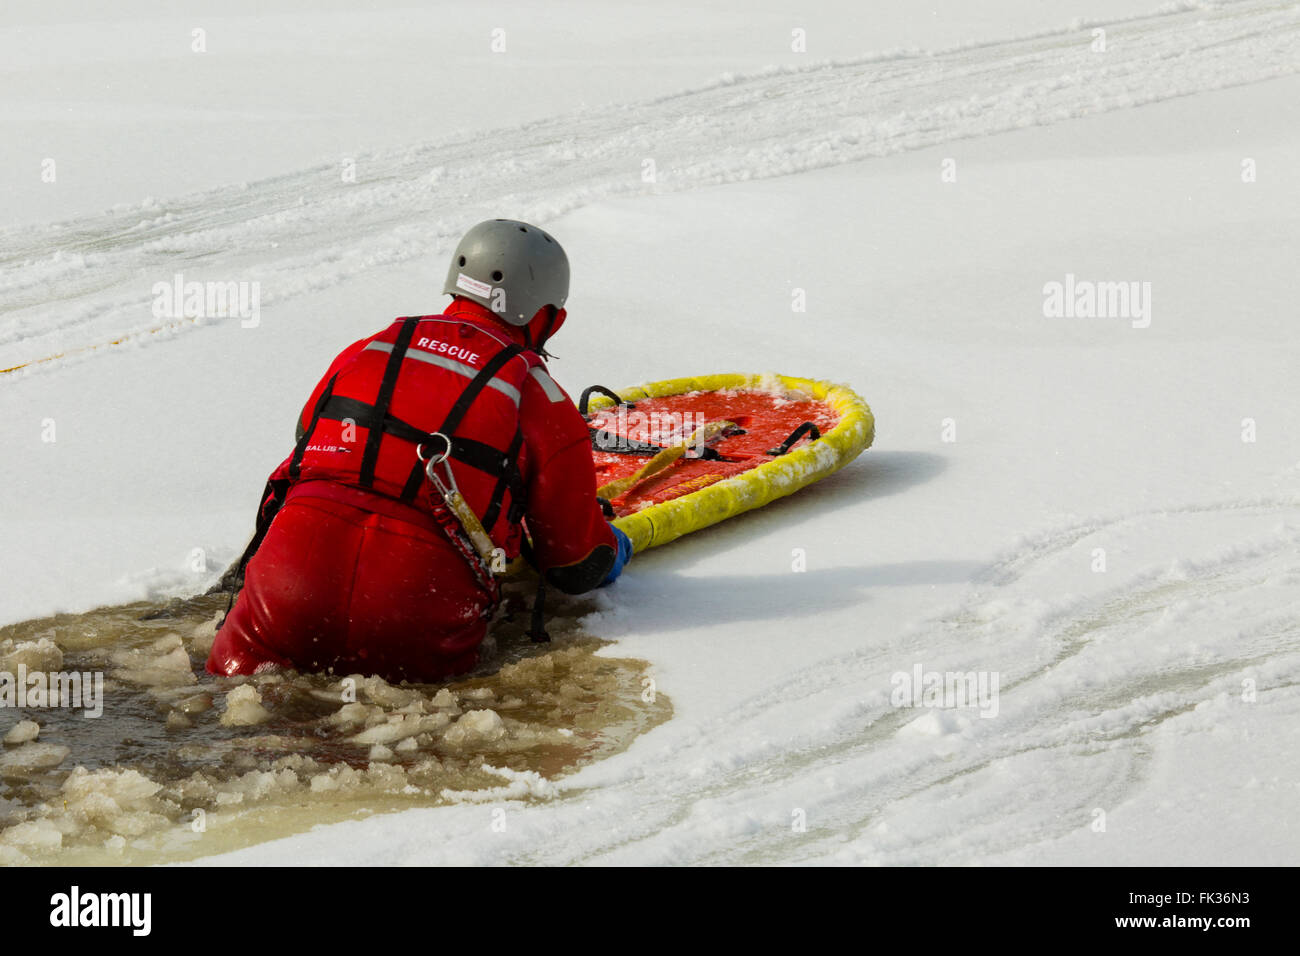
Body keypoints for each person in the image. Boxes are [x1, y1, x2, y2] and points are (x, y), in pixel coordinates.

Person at [206, 219, 633, 682]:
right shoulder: (543, 398)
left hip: (282, 597)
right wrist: (619, 545)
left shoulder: (366, 349)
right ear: (552, 318)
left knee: (236, 697)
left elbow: (309, 441)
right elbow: (575, 566)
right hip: (412, 623)